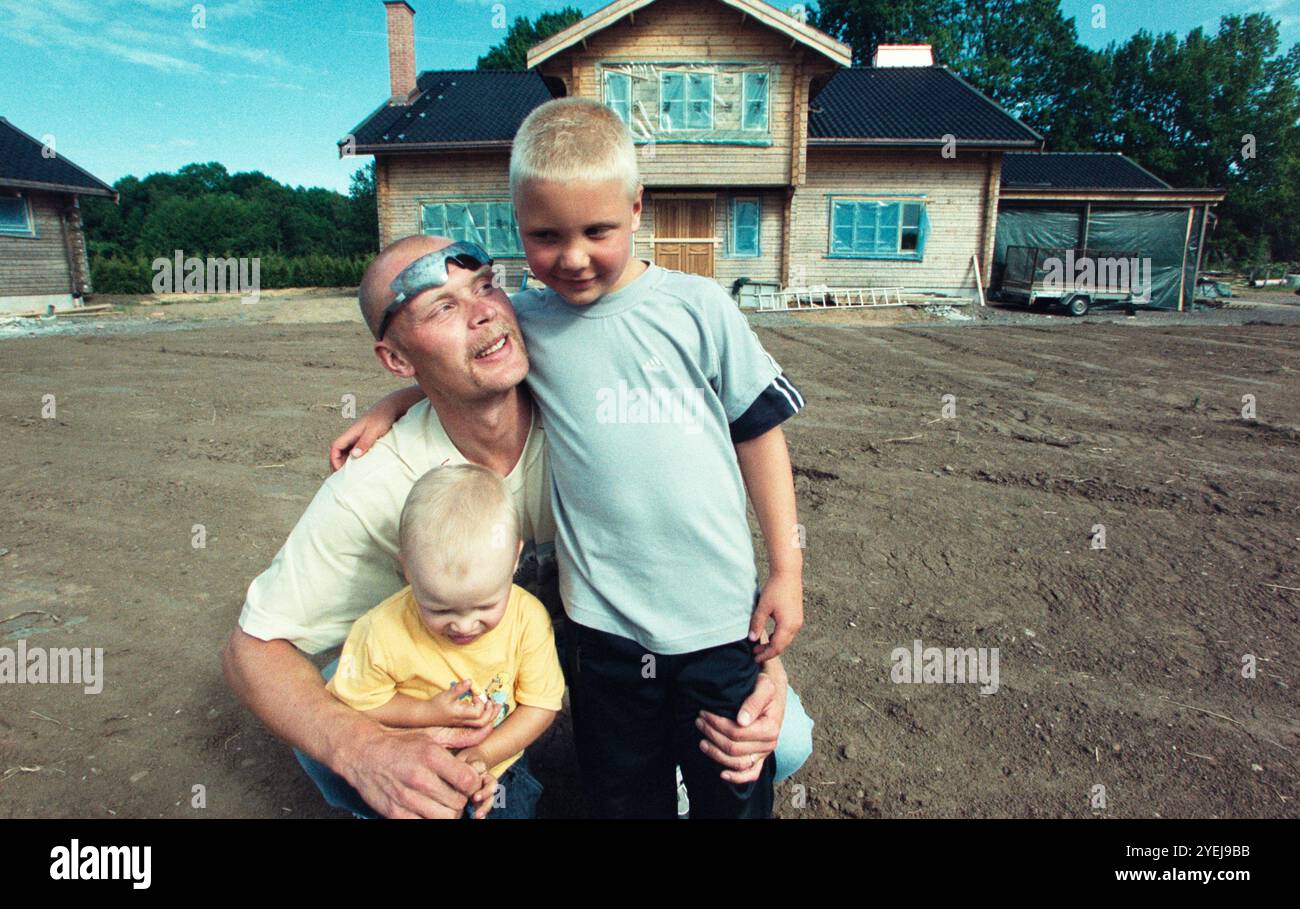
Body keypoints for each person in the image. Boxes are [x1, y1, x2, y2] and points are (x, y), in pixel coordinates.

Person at [224, 233, 812, 820]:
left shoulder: (592, 412)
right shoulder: (376, 484)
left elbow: (694, 541)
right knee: (342, 721)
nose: (483, 311)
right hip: (466, 682)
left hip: (620, 656)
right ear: (397, 358)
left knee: (773, 743)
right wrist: (361, 748)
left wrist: (756, 662)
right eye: (443, 307)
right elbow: (251, 650)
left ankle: (665, 766)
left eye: (485, 286)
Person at [344, 98, 808, 818]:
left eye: (598, 230)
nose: (573, 256)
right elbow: (468, 370)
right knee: (623, 791)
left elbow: (759, 432)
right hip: (605, 628)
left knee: (734, 775)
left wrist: (786, 569)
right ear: (518, 227)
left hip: (717, 619)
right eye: (546, 235)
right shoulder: (530, 318)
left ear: (636, 207)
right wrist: (393, 404)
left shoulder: (699, 309)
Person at [326, 463, 563, 819]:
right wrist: (425, 712)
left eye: (486, 605)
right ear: (407, 568)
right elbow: (356, 703)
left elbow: (540, 705)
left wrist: (485, 755)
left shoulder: (527, 618)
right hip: (410, 770)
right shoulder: (380, 630)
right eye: (439, 608)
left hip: (500, 769)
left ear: (515, 558)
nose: (465, 625)